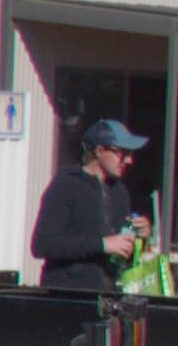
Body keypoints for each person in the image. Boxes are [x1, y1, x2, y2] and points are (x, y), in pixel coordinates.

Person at [31, 116, 148, 295]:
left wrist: (139, 236)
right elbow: (42, 244)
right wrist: (101, 245)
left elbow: (120, 251)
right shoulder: (66, 185)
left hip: (108, 296)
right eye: (122, 153)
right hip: (68, 298)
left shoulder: (119, 192)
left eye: (130, 154)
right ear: (100, 151)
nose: (129, 160)